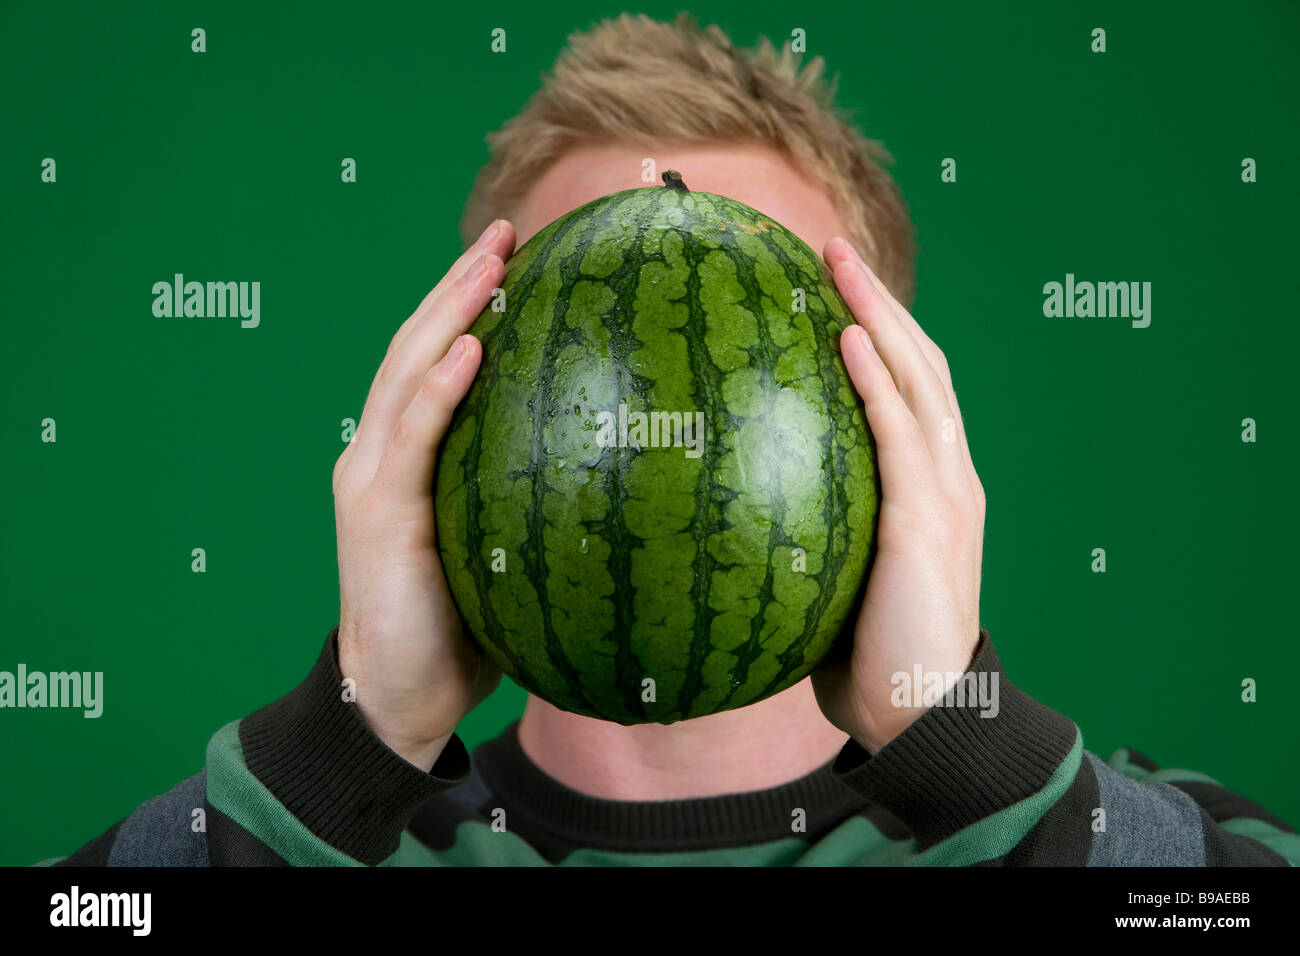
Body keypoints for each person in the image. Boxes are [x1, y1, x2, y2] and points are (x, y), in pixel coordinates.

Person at [43, 13, 1296, 867]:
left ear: (899, 415)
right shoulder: (321, 828)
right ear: (457, 400)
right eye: (596, 319)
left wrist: (963, 741)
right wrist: (347, 743)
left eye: (747, 332)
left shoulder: (1061, 818)